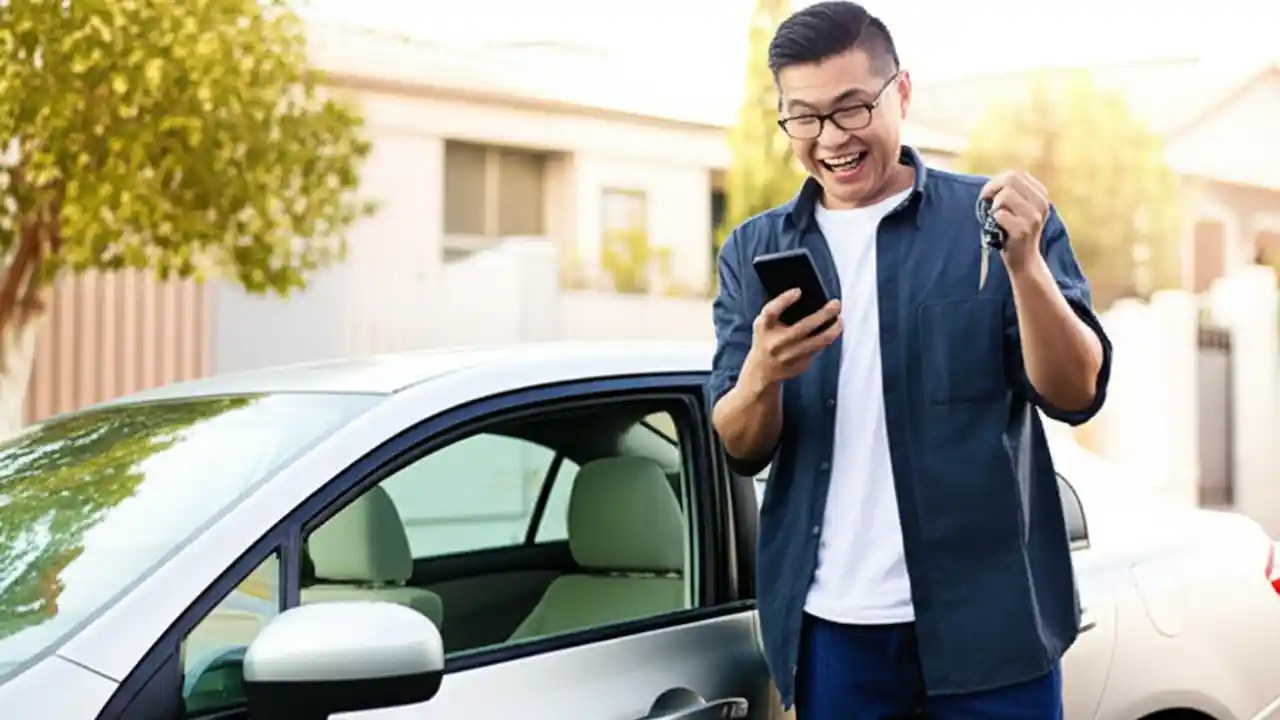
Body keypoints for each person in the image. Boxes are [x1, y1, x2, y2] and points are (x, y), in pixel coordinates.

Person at [707, 2, 1113, 718]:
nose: (831, 138)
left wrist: (1025, 267)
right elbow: (739, 444)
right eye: (804, 118)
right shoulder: (753, 250)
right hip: (836, 635)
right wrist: (762, 375)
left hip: (992, 627)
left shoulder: (993, 220)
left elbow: (1076, 392)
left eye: (851, 108)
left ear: (901, 91)